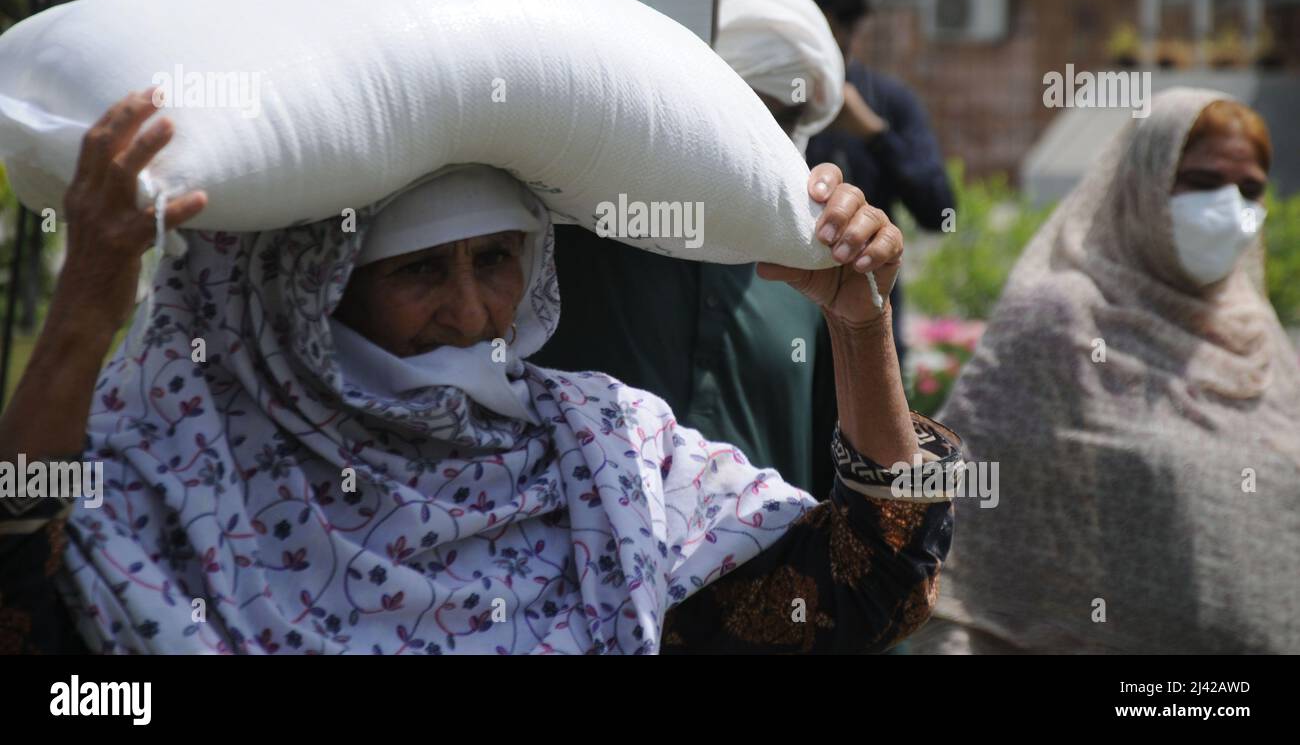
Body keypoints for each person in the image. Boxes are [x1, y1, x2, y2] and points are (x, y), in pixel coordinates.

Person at [0, 89, 962, 654]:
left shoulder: (601, 451)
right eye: (419, 271)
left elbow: (862, 584)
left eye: (496, 260)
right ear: (312, 287)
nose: (469, 310)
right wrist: (85, 307)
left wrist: (859, 325)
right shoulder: (185, 459)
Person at [455, 0, 848, 498]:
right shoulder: (566, 226)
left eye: (782, 123)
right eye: (739, 121)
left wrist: (867, 324)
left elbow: (844, 497)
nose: (759, 151)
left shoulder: (808, 272)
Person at [909, 87, 1300, 655]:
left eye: (1250, 189)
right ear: (1144, 182)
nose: (1229, 207)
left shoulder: (1258, 338)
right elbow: (962, 534)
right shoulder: (1061, 320)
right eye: (1204, 181)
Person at [783, 0, 956, 367]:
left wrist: (875, 135)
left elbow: (941, 210)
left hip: (864, 327)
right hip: (781, 325)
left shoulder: (886, 101)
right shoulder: (771, 97)